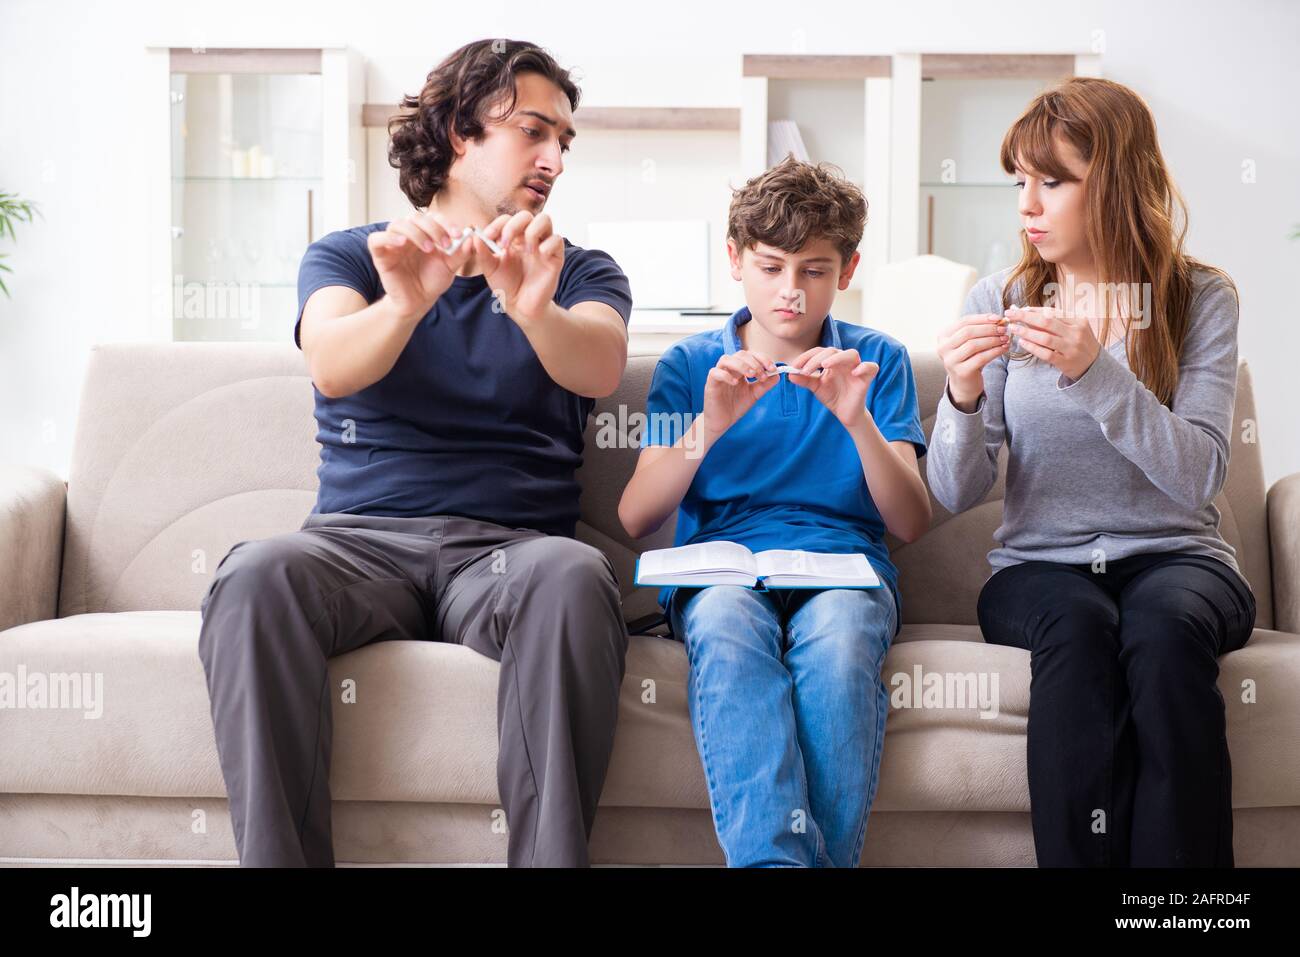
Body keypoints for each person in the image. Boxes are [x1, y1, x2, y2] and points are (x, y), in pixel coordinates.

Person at [198, 38, 634, 868]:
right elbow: (331, 360)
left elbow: (600, 363)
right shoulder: (352, 255)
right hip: (356, 542)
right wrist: (405, 303)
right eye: (535, 132)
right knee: (253, 575)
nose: (555, 159)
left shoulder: (576, 270)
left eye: (565, 142)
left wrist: (529, 304)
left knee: (576, 577)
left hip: (511, 550)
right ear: (461, 130)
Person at [926, 77, 1255, 867]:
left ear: (1111, 182)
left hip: (1179, 558)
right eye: (1019, 183)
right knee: (1077, 632)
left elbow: (1200, 472)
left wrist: (1094, 371)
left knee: (1165, 630)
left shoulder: (1198, 299)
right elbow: (952, 490)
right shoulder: (1002, 297)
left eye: (1052, 181)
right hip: (1041, 566)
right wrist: (961, 396)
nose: (1026, 206)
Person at [618, 157, 931, 866]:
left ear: (846, 270)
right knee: (727, 627)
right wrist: (710, 425)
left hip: (845, 571)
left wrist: (858, 423)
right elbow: (637, 514)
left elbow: (911, 521)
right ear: (735, 260)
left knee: (843, 635)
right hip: (722, 571)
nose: (791, 292)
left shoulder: (877, 359)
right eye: (770, 267)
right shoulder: (689, 365)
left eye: (814, 271)